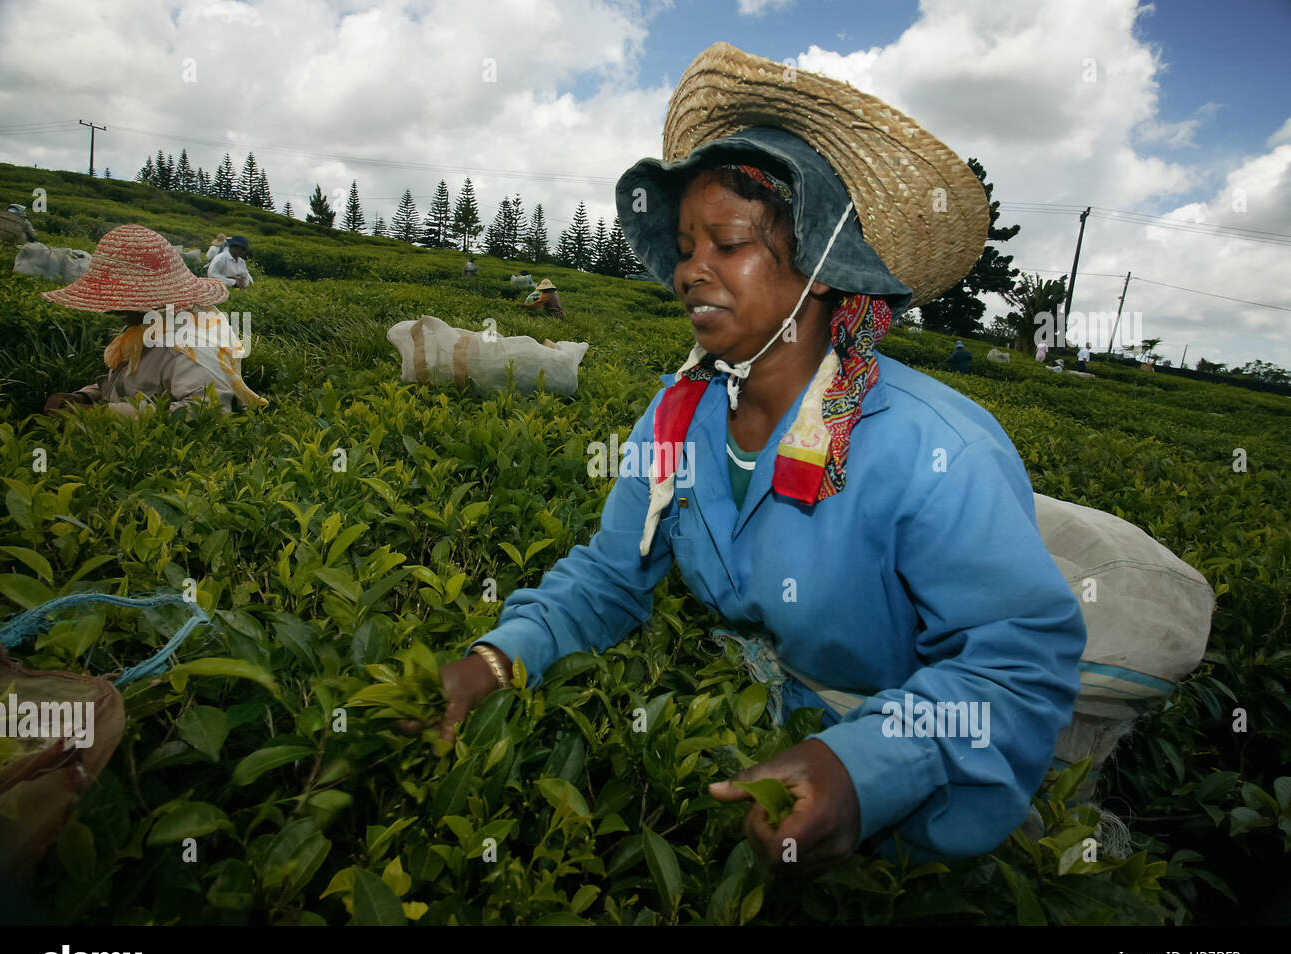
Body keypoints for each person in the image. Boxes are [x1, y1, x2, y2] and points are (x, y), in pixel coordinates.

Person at [431, 43, 1084, 870]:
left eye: (727, 243)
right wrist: (499, 656)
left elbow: (1015, 671)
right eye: (683, 245)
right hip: (747, 739)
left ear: (818, 267)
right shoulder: (676, 417)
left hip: (902, 810)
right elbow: (609, 575)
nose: (690, 271)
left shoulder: (933, 449)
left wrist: (863, 765)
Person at [39, 224, 268, 416]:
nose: (112, 310)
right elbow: (126, 385)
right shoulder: (141, 331)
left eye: (121, 302)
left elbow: (207, 409)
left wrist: (103, 414)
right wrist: (84, 397)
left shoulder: (184, 347)